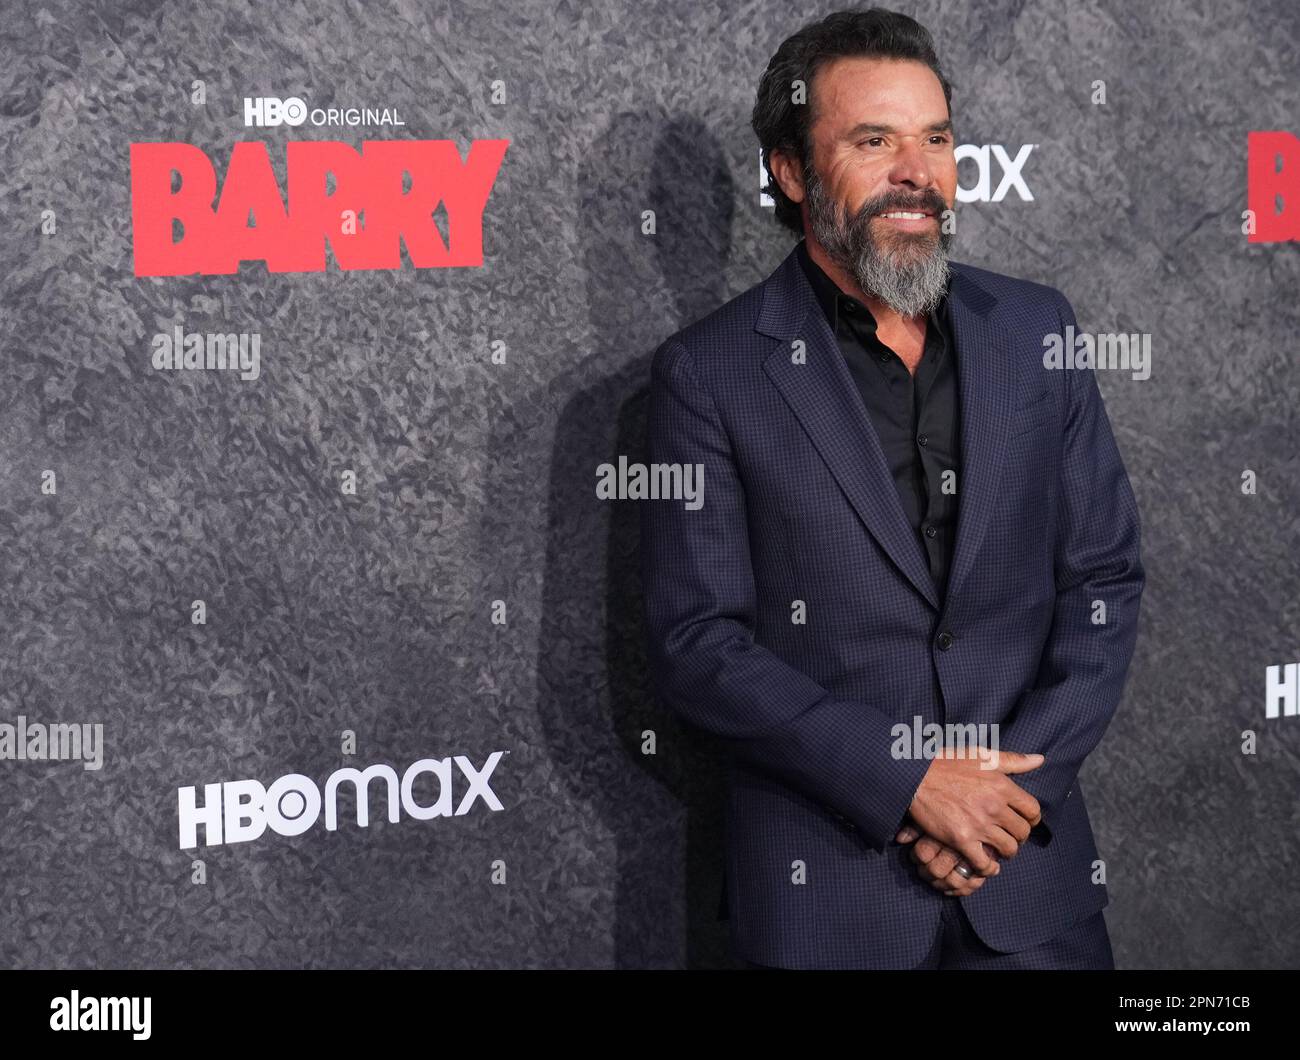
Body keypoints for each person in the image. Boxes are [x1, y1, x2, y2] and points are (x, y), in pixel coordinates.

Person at [639, 8, 1144, 970]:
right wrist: (908, 780)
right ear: (791, 172)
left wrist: (1006, 797)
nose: (918, 172)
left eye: (938, 139)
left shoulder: (1038, 329)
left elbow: (1105, 580)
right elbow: (699, 644)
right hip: (829, 904)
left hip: (1028, 884)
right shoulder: (710, 374)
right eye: (875, 141)